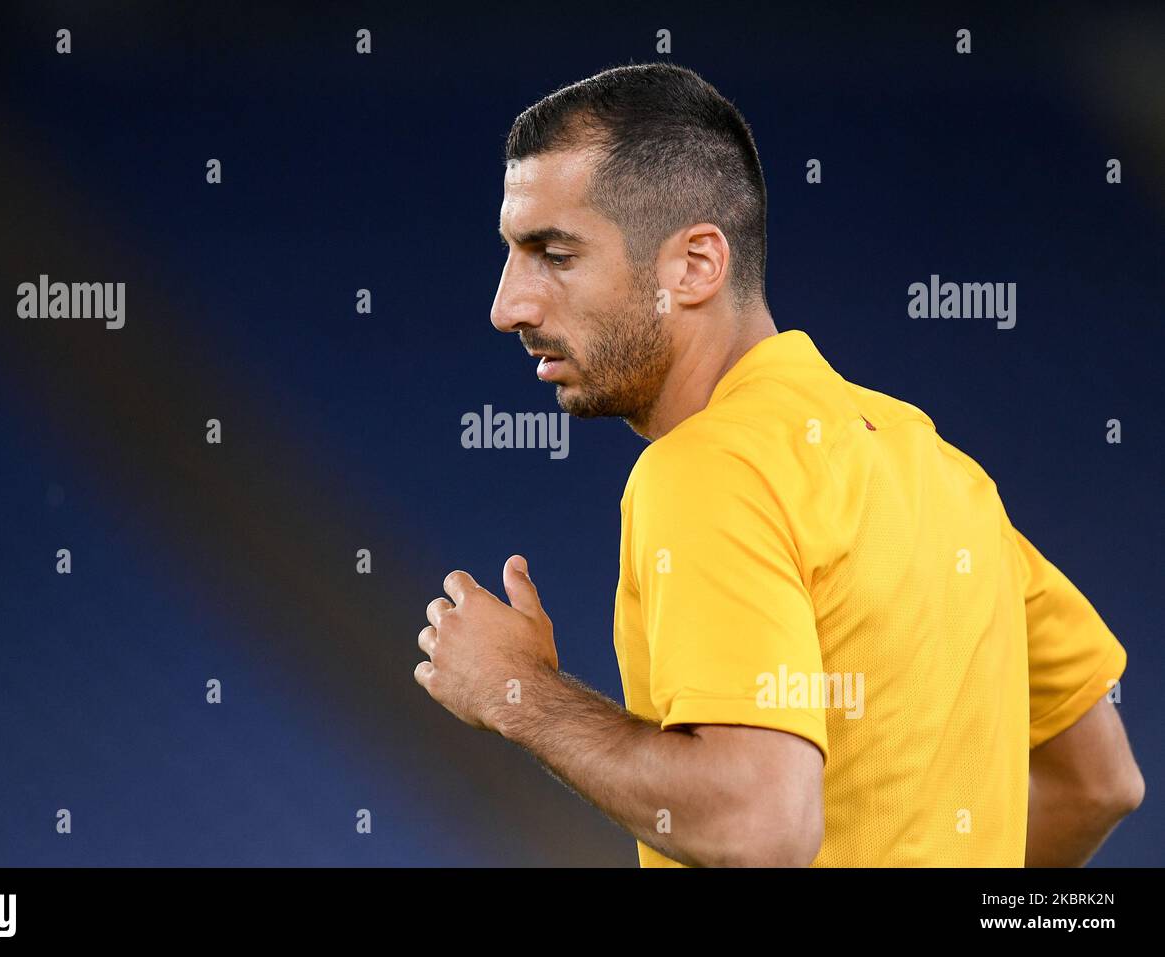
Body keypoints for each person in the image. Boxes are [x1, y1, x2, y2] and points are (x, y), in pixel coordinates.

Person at [413, 63, 1144, 866]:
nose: (506, 304)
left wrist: (521, 692)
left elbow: (757, 825)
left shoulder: (708, 468)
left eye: (553, 253)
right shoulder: (941, 470)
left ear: (694, 265)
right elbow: (1098, 781)